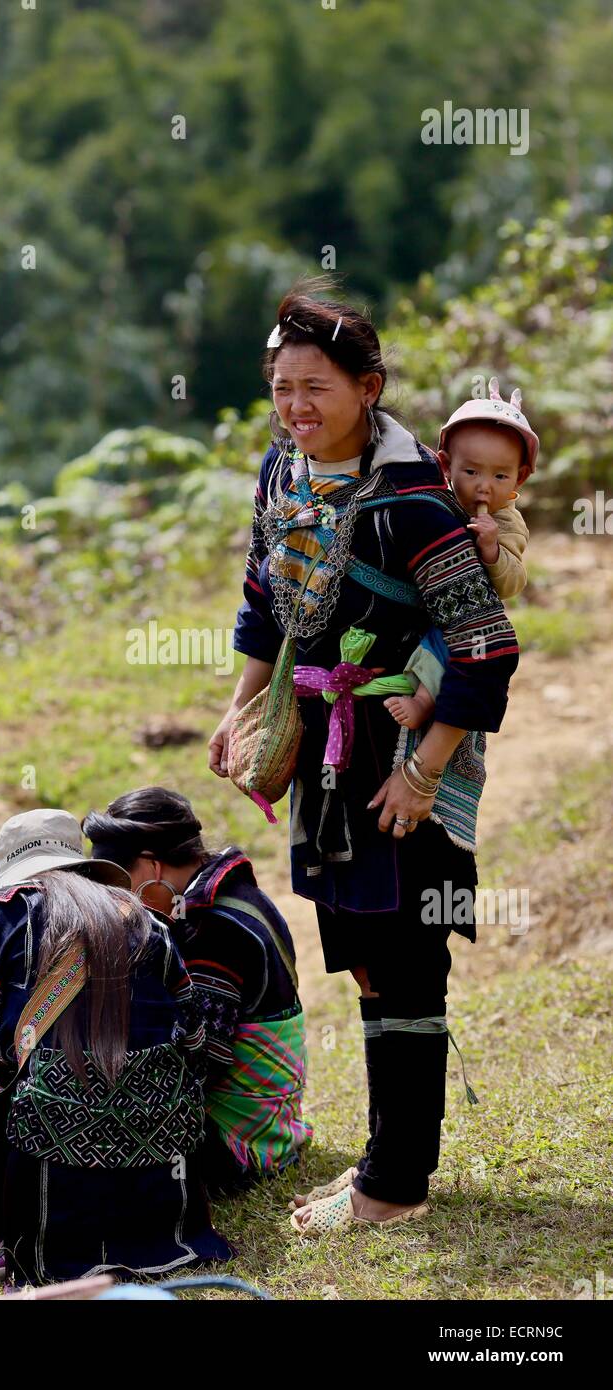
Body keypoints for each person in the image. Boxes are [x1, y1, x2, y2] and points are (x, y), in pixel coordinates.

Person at [208, 277, 520, 1235]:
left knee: (409, 954)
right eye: (282, 390)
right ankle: (388, 1169)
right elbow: (265, 596)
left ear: (370, 387)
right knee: (368, 960)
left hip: (399, 758)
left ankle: (393, 1185)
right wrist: (241, 706)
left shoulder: (413, 502)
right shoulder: (283, 475)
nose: (297, 409)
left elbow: (483, 644)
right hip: (324, 754)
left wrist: (422, 771)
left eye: (319, 390)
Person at [0, 808, 232, 1284]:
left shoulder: (2, 914)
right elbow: (193, 1039)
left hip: (57, 1160)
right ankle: (162, 1238)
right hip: (163, 1144)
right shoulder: (146, 920)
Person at [82, 786, 312, 1195]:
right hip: (273, 1129)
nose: (112, 899)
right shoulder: (235, 894)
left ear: (152, 869)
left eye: (117, 882)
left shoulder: (213, 929)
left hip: (237, 1147)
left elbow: (197, 1066)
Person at [385, 377, 536, 730]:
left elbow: (514, 581)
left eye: (501, 476)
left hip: (467, 616)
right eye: (471, 472)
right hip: (422, 604)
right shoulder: (437, 502)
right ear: (445, 465)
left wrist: (492, 550)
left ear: (521, 478)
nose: (484, 485)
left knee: (450, 645)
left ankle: (423, 701)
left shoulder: (507, 524)